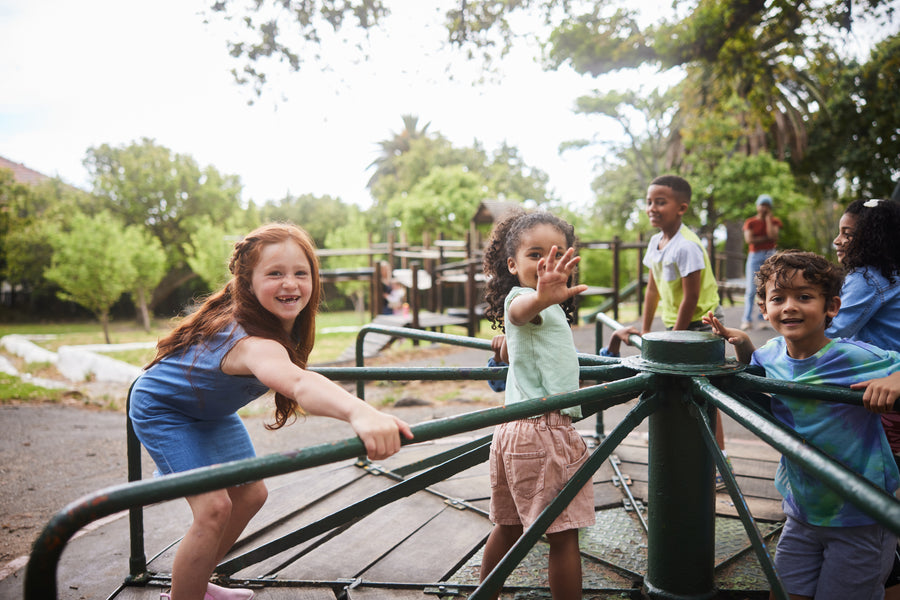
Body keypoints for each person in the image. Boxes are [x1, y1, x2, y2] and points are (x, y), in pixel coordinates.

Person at [129, 223, 413, 600]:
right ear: (247, 283)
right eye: (275, 273)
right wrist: (360, 412)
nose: (290, 284)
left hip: (212, 412)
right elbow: (299, 383)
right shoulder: (252, 342)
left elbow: (299, 377)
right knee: (213, 508)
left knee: (251, 496)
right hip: (164, 410)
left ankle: (194, 582)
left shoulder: (277, 325)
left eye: (301, 273)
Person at [704, 250, 900, 600]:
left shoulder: (854, 357)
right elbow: (757, 369)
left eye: (805, 297)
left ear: (832, 306)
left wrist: (896, 380)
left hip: (860, 514)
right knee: (784, 592)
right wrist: (743, 344)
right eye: (778, 298)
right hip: (801, 508)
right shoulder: (772, 353)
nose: (790, 307)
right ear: (764, 308)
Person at [479, 210, 594, 600]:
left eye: (556, 254)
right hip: (543, 430)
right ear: (512, 264)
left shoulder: (541, 305)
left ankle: (485, 596)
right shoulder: (528, 299)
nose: (546, 262)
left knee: (509, 527)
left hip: (516, 430)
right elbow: (519, 311)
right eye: (535, 254)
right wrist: (542, 298)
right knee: (563, 535)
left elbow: (522, 332)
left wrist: (508, 343)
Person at [828, 197, 900, 597]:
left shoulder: (868, 278)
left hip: (886, 395)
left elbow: (830, 333)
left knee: (873, 492)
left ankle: (878, 564)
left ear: (872, 239)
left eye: (848, 234)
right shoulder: (891, 273)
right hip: (890, 387)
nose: (837, 241)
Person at [640, 174, 728, 459]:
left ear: (681, 208)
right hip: (675, 325)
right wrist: (645, 331)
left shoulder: (687, 245)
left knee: (703, 391)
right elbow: (652, 290)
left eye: (660, 202)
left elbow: (691, 297)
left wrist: (673, 338)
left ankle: (719, 457)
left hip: (702, 323)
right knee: (673, 384)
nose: (652, 208)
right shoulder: (656, 242)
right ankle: (680, 445)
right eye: (649, 202)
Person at [741, 193, 782, 330]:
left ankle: (762, 319)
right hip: (754, 255)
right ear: (757, 206)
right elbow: (749, 240)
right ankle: (747, 319)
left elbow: (773, 235)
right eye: (762, 205)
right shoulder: (750, 222)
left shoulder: (774, 221)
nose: (764, 208)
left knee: (767, 288)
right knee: (751, 289)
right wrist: (767, 239)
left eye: (767, 205)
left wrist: (768, 220)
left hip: (770, 255)